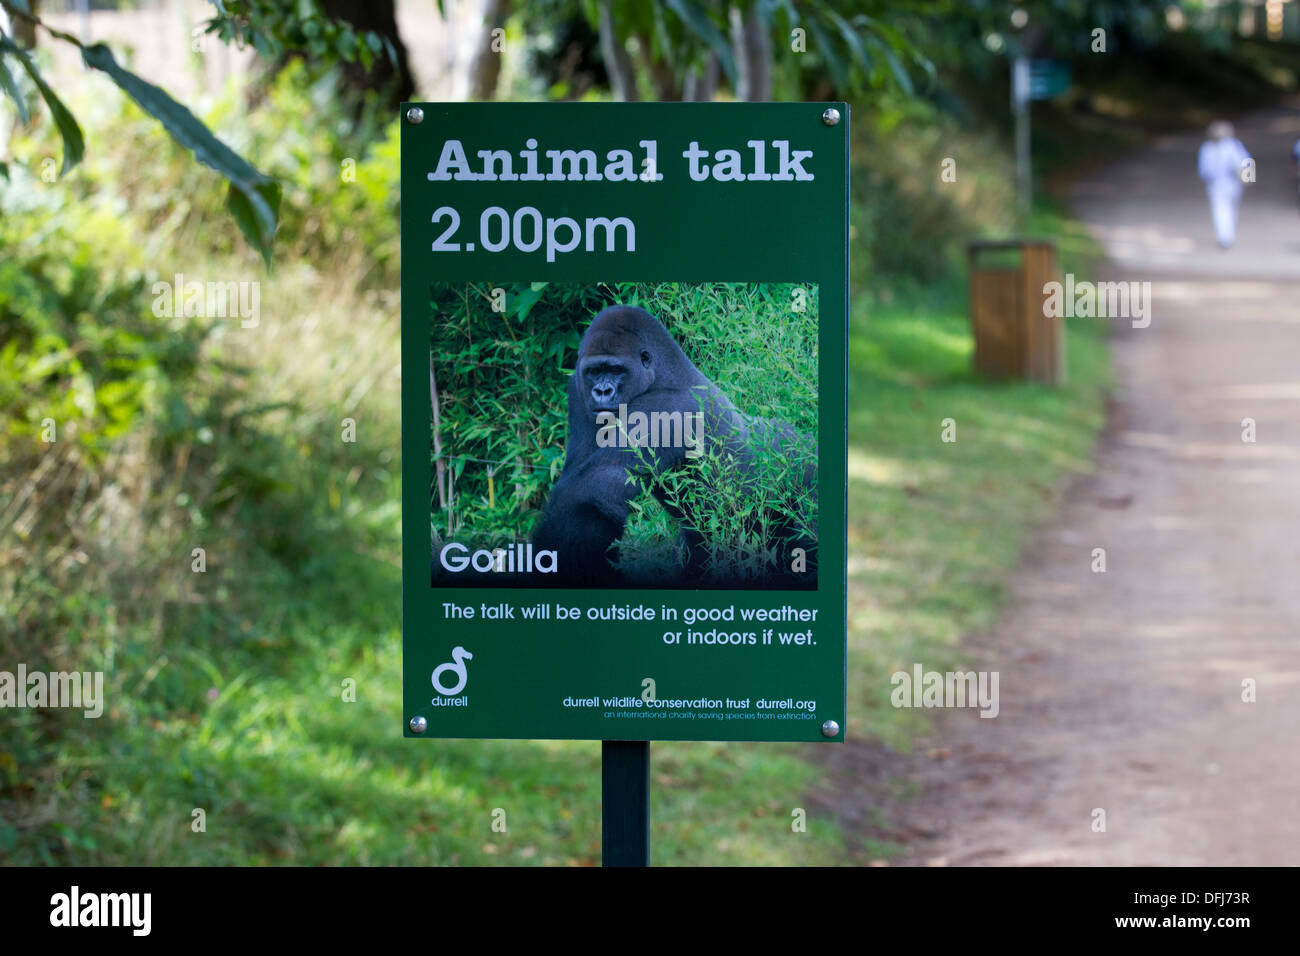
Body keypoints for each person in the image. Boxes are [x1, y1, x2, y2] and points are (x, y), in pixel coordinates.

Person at [1197, 120, 1251, 249]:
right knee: (1228, 209)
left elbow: (1203, 171)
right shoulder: (1232, 146)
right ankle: (1226, 237)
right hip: (1230, 184)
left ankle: (1225, 237)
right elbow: (1246, 161)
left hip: (1219, 185)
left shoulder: (1207, 148)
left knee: (1221, 210)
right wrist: (1248, 178)